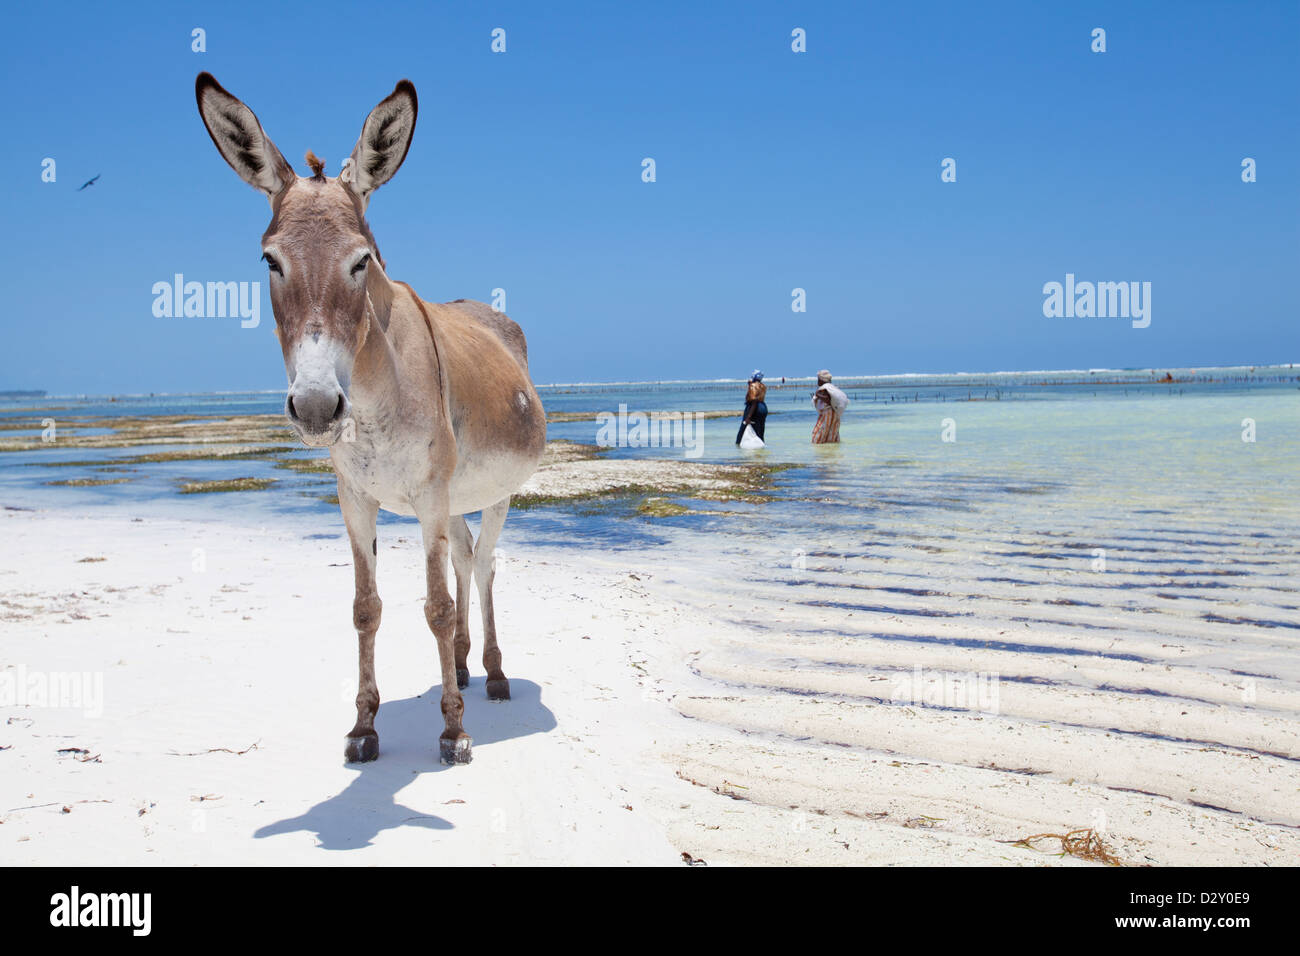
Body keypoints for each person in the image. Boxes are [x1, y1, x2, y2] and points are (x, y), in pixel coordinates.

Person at [811, 369, 847, 443]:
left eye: (818, 379)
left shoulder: (825, 388)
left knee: (818, 436)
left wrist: (818, 395)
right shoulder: (832, 388)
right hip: (835, 413)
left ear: (821, 380)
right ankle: (830, 453)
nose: (817, 381)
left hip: (827, 413)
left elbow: (827, 399)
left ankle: (821, 452)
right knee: (832, 435)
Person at [736, 370, 768, 444]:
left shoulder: (752, 386)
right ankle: (761, 445)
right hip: (763, 407)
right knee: (760, 430)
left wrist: (748, 417)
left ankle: (739, 445)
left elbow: (754, 401)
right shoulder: (763, 386)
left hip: (754, 408)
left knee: (743, 429)